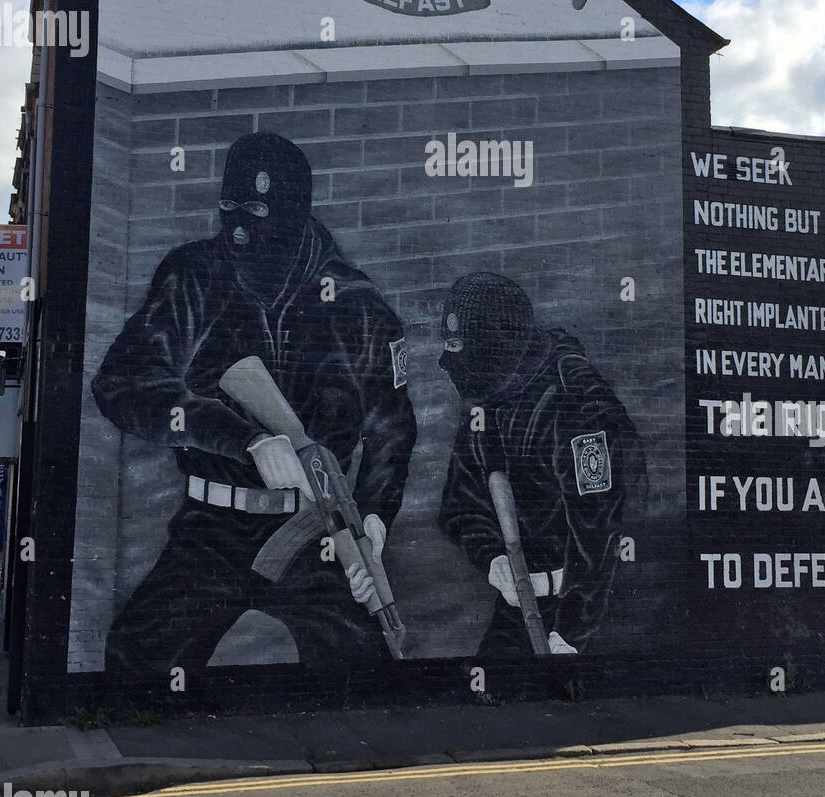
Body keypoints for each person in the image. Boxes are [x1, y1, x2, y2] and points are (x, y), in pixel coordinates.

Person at [92, 132, 417, 676]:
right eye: (229, 208)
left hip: (317, 528)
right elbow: (122, 384)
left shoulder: (358, 306)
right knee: (135, 659)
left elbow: (392, 429)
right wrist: (246, 438)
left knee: (365, 667)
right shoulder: (192, 277)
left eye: (258, 209)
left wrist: (373, 522)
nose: (239, 226)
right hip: (209, 528)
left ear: (296, 209)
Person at [436, 272, 638, 657]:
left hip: (588, 612)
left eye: (462, 348)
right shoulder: (488, 397)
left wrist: (572, 634)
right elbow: (461, 501)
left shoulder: (575, 405)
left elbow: (599, 531)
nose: (447, 363)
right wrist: (492, 555)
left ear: (494, 348)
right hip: (523, 606)